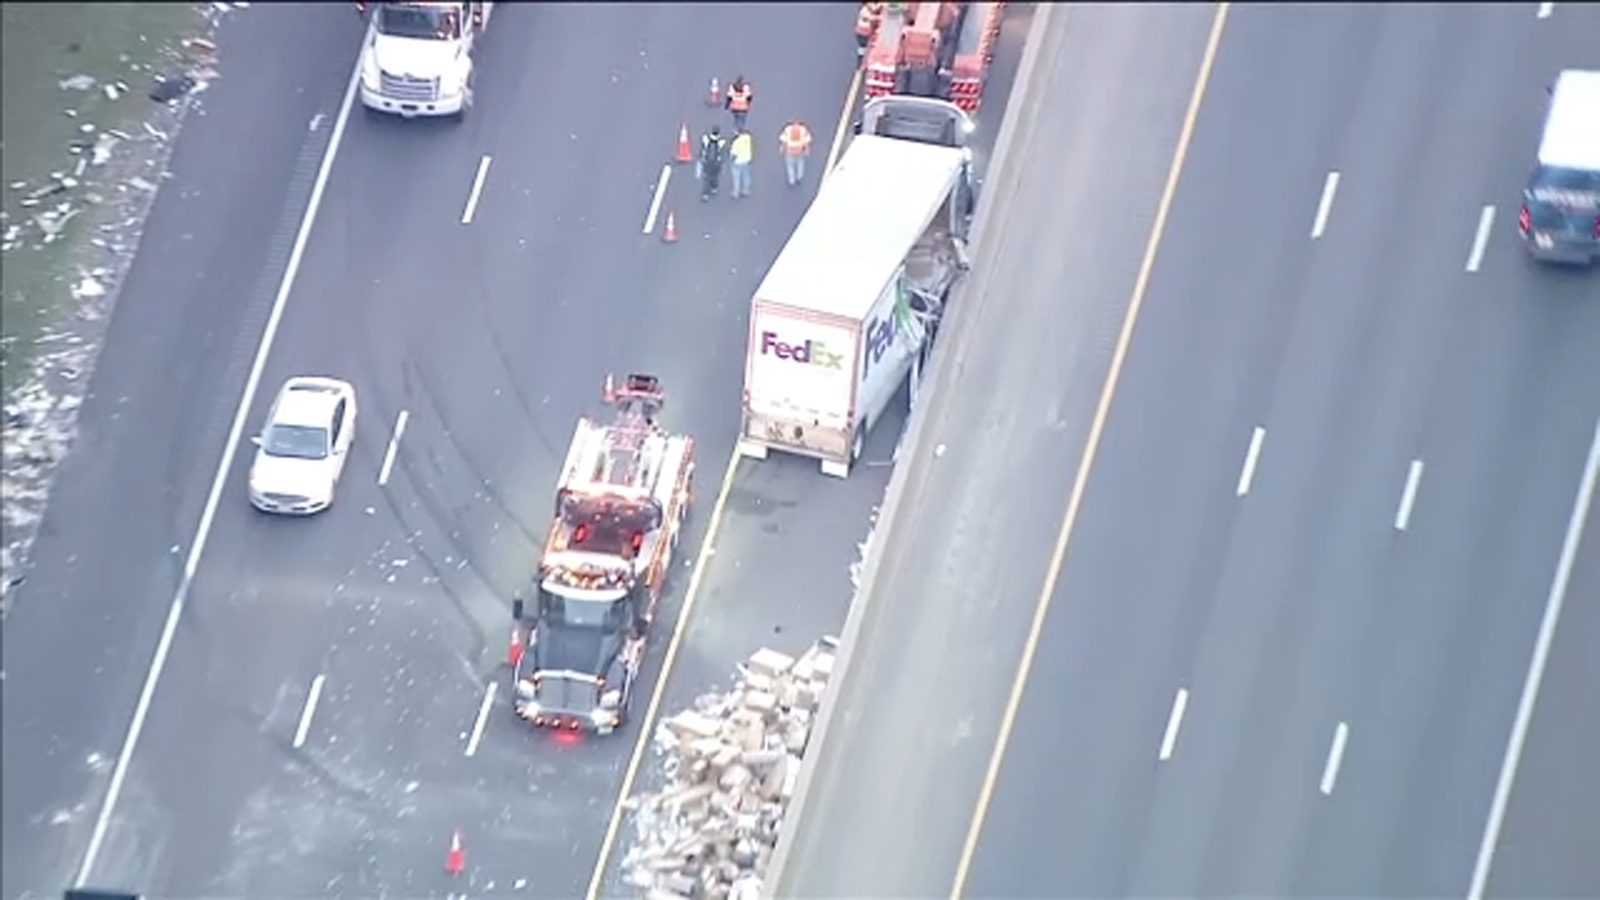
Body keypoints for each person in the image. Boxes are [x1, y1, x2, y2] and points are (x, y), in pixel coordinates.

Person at [778, 120, 813, 187]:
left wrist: (782, 148)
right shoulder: (803, 129)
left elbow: (784, 140)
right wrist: (807, 149)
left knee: (790, 166)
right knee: (800, 163)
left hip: (790, 150)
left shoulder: (788, 129)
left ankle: (792, 180)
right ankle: (799, 177)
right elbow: (806, 141)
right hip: (799, 150)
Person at [698, 126, 726, 201]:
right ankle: (714, 187)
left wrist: (701, 157)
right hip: (716, 163)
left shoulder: (705, 138)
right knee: (715, 175)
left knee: (707, 177)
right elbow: (723, 153)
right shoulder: (722, 141)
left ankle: (705, 194)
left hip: (707, 161)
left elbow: (702, 149)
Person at [729, 129, 755, 199]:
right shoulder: (748, 138)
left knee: (736, 177)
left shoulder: (736, 142)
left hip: (738, 161)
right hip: (747, 159)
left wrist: (731, 160)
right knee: (746, 175)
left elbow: (734, 153)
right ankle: (746, 190)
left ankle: (736, 192)